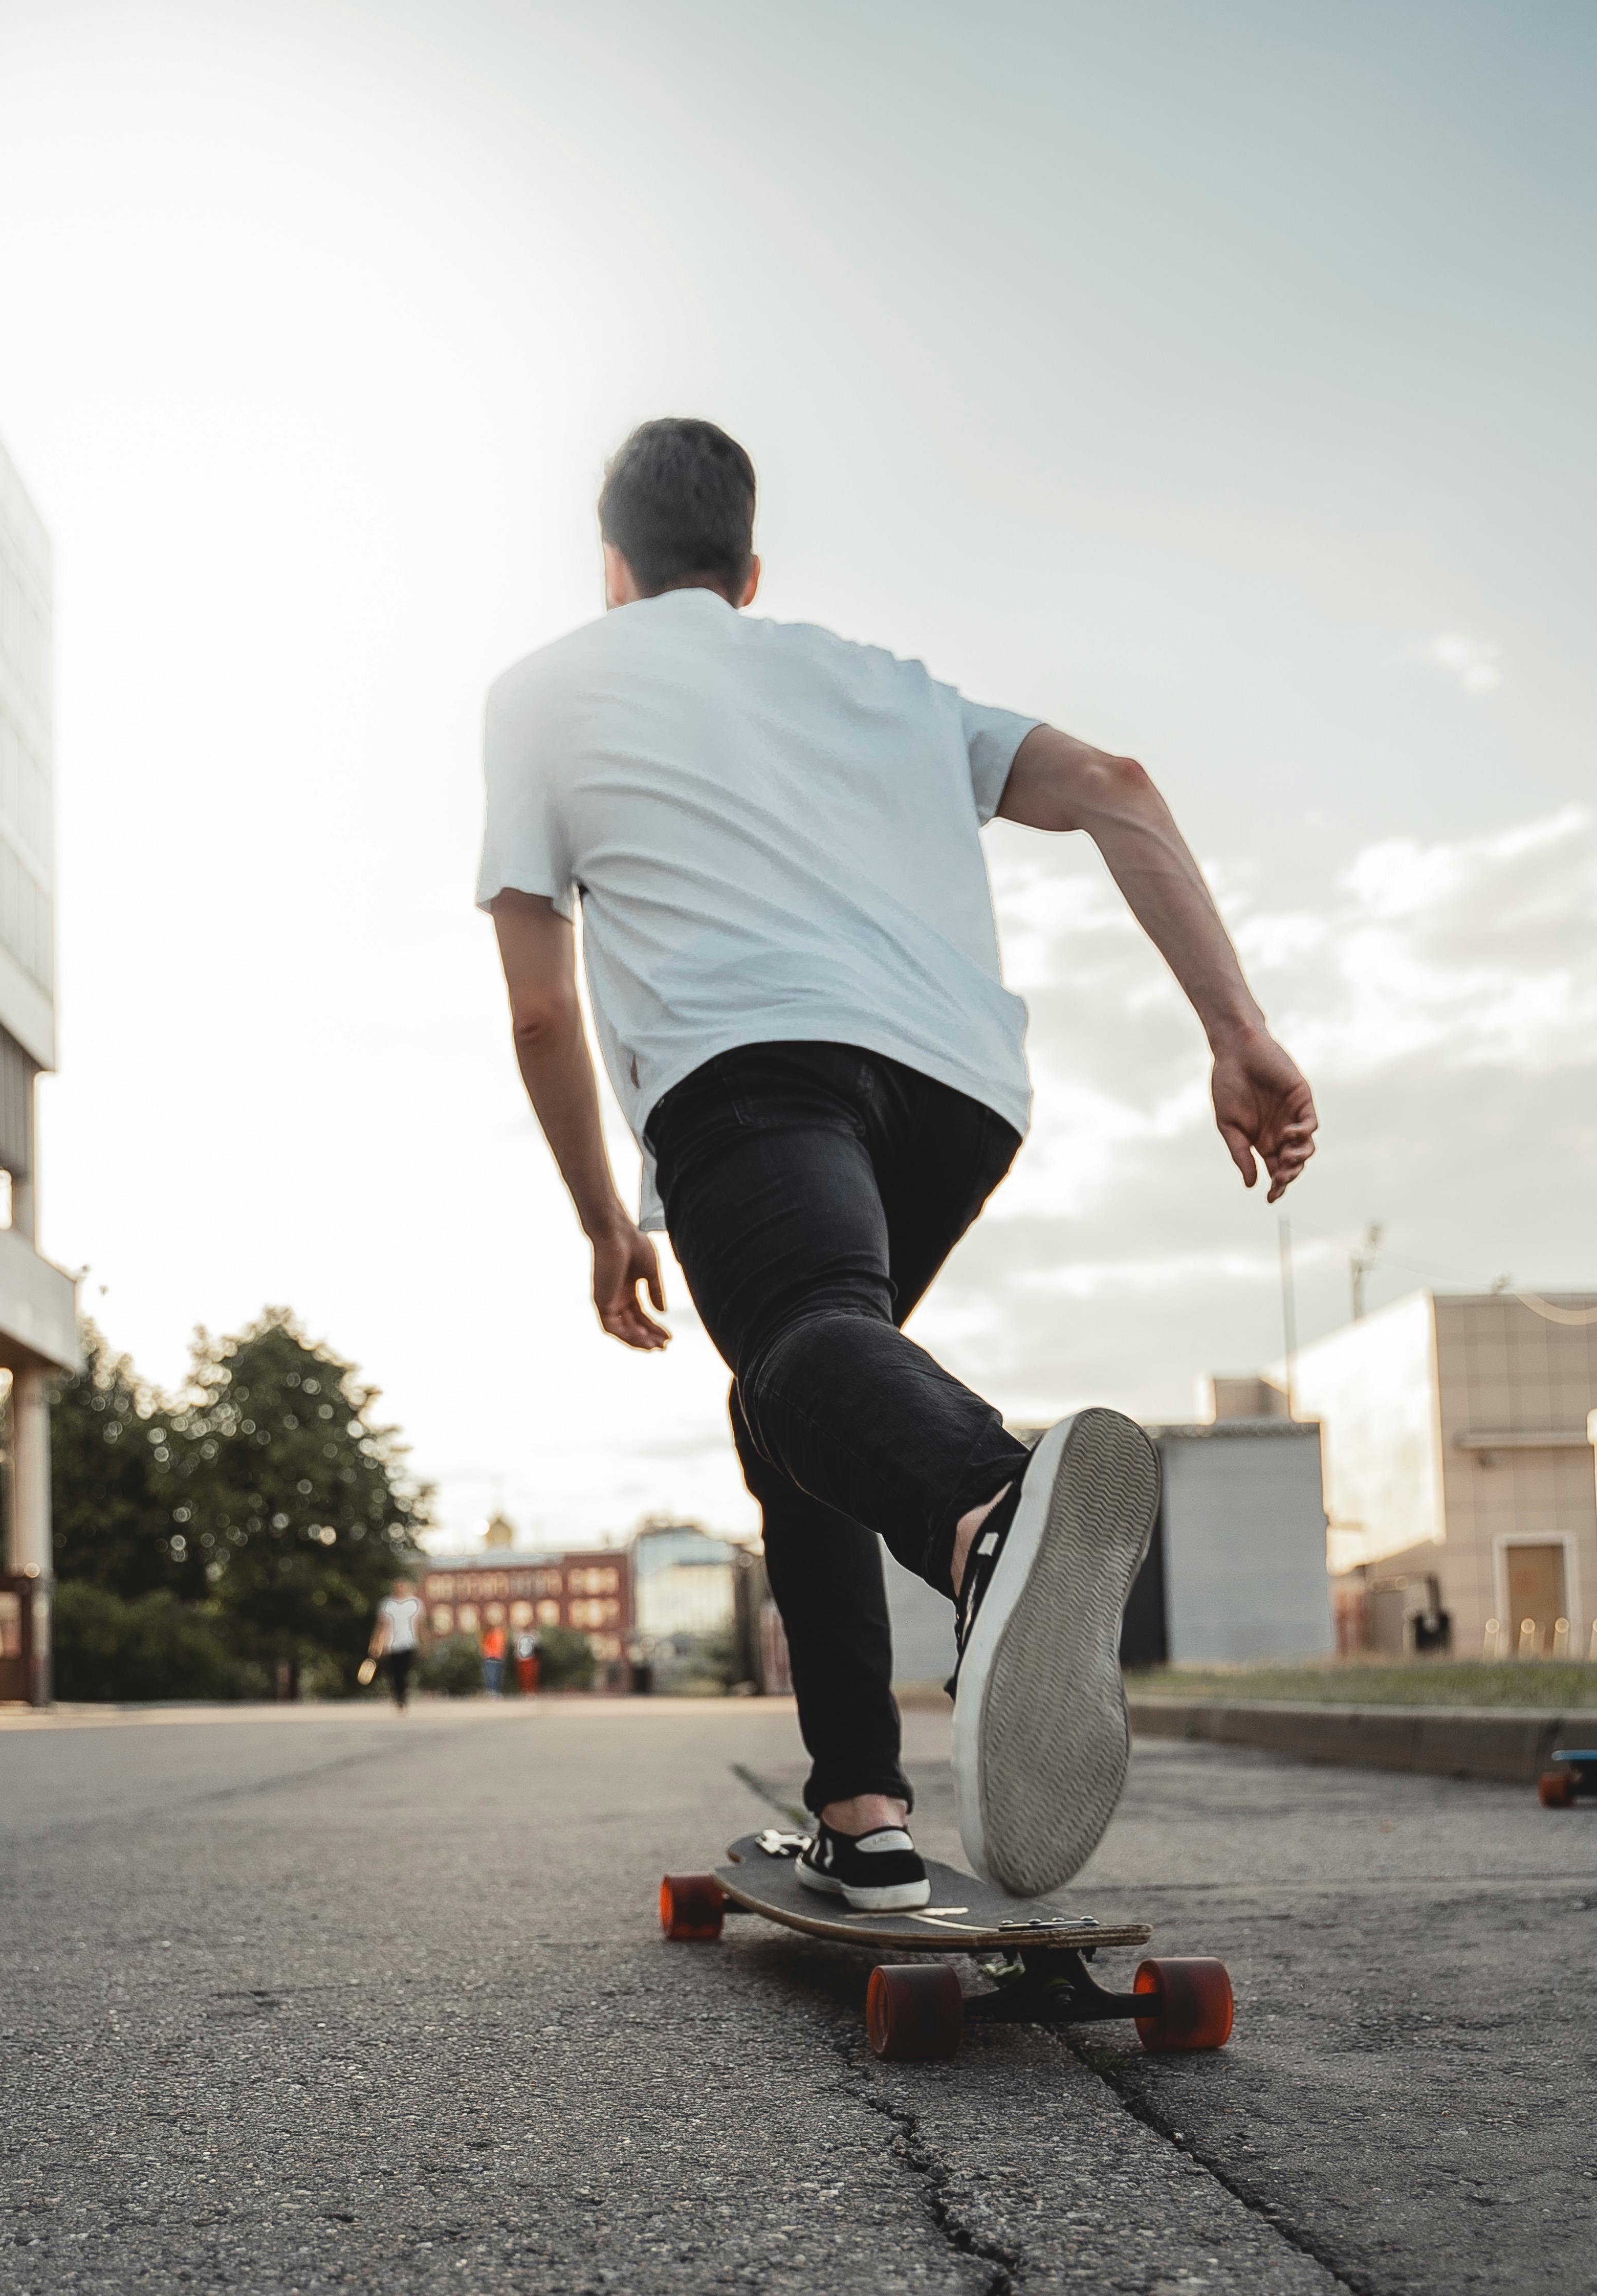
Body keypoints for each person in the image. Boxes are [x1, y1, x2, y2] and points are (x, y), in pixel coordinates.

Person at [478, 418, 1316, 1910]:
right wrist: (1234, 1030)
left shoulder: (546, 690)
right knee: (803, 1387)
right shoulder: (883, 682)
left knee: (800, 1345)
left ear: (611, 569)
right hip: (956, 1097)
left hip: (749, 1072)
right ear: (746, 571)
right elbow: (1115, 783)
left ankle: (991, 1516)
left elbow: (539, 1002)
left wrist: (605, 1219)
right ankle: (859, 1809)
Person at [367, 1577, 422, 1711]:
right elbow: (381, 1626)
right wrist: (376, 1644)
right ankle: (398, 1696)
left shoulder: (415, 1604)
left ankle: (403, 1696)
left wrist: (423, 1642)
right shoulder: (387, 1604)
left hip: (409, 1643)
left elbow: (419, 1625)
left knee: (405, 1672)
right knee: (394, 1673)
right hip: (391, 1644)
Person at [480, 1622, 508, 1697]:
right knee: (492, 1676)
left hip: (497, 1659)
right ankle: (492, 1691)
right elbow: (486, 1647)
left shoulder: (500, 1636)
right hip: (491, 1659)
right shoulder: (490, 1636)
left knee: (496, 1676)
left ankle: (495, 1691)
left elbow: (502, 1647)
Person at [514, 1627, 541, 1697]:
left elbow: (537, 1645)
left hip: (530, 1658)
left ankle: (531, 1691)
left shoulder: (533, 1636)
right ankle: (524, 1690)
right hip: (521, 1658)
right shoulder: (519, 1636)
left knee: (531, 1676)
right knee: (522, 1676)